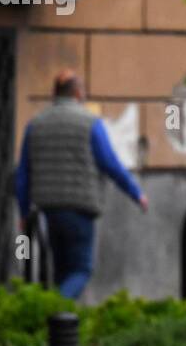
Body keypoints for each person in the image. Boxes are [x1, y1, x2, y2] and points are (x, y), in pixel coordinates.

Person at [14, 70, 148, 300]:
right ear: (77, 93)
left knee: (61, 271)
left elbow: (23, 173)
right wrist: (136, 193)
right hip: (80, 209)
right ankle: (53, 308)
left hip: (48, 210)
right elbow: (110, 163)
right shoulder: (90, 123)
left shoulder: (35, 124)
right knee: (81, 269)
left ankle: (59, 327)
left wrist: (24, 212)